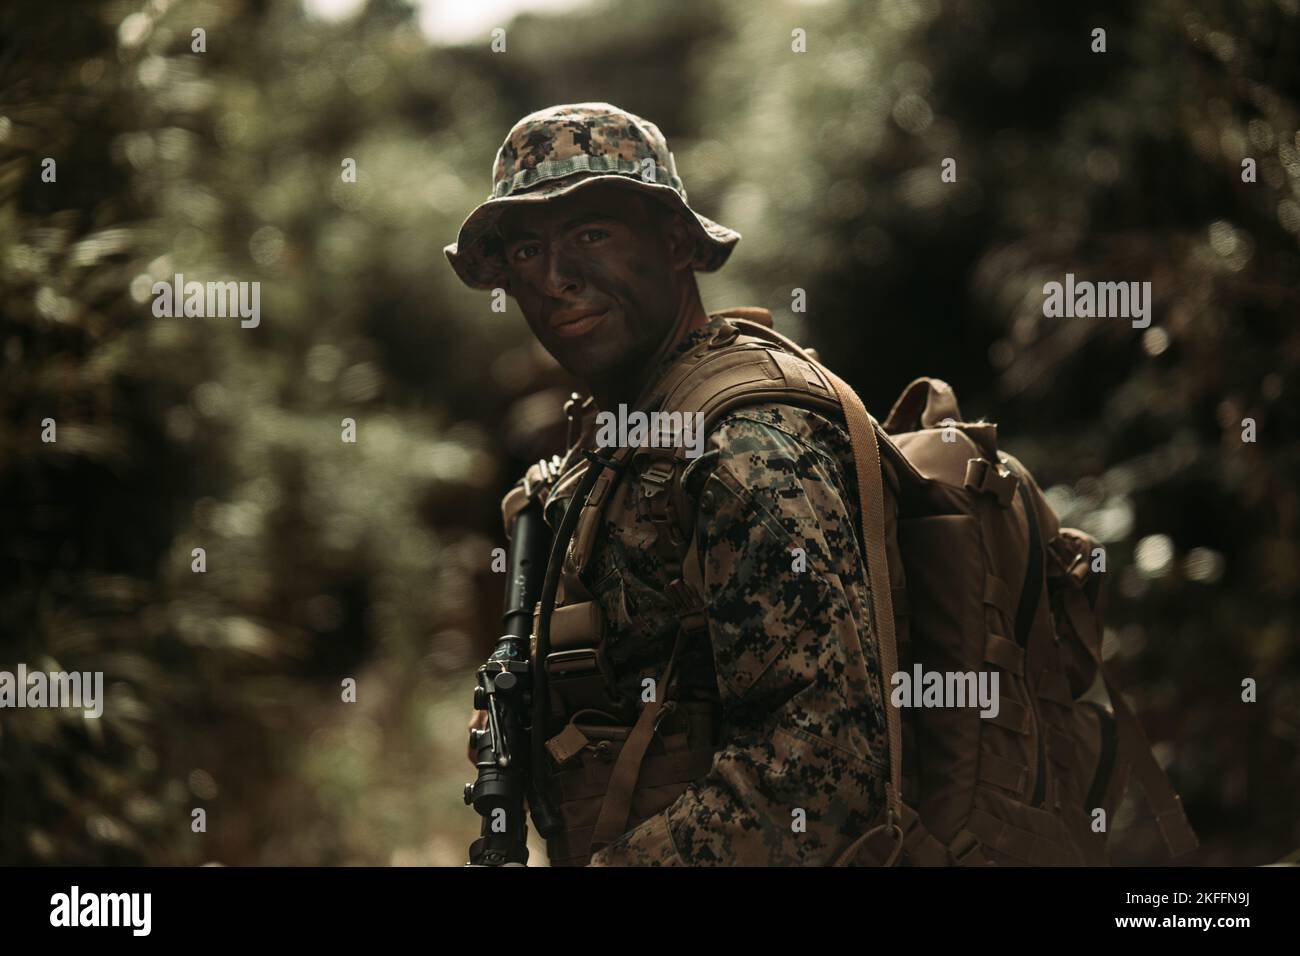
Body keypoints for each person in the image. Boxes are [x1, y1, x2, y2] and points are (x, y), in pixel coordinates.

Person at [446, 102, 891, 865]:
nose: (556, 280)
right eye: (526, 250)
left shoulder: (745, 450)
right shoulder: (621, 440)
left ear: (676, 242)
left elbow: (821, 779)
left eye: (591, 235)